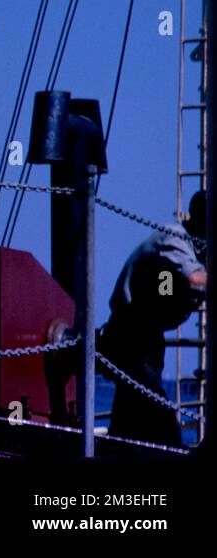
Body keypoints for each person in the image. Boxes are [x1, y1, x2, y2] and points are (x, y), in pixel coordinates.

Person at [97, 190, 208, 446]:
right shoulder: (174, 238)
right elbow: (193, 278)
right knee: (159, 415)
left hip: (148, 338)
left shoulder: (199, 249)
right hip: (128, 334)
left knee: (130, 413)